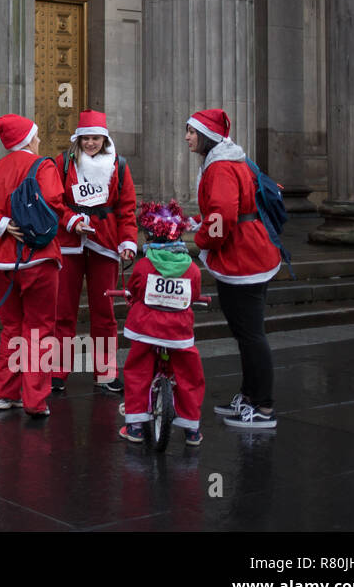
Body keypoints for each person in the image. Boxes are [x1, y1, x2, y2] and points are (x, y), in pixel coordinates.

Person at [0, 114, 80, 418]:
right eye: (36, 135)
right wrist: (74, 220)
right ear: (28, 139)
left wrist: (1, 222)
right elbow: (55, 201)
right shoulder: (43, 166)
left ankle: (4, 394)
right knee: (40, 330)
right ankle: (35, 400)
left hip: (0, 261)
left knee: (12, 328)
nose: (39, 140)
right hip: (38, 258)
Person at [188, 108, 281, 430]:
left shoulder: (221, 167)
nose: (187, 137)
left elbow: (224, 216)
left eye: (191, 132)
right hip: (249, 252)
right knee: (246, 334)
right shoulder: (228, 162)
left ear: (206, 136)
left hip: (245, 257)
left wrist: (199, 242)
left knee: (251, 334)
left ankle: (264, 406)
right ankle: (249, 395)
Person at [53, 110, 138, 395]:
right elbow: (53, 201)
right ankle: (57, 372)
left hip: (105, 245)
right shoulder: (62, 164)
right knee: (63, 311)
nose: (91, 143)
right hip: (69, 243)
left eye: (96, 138)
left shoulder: (120, 166)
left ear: (105, 139)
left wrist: (128, 242)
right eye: (86, 138)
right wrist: (72, 220)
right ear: (78, 139)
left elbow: (126, 210)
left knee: (104, 312)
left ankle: (106, 372)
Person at [119, 200, 205, 446]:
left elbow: (135, 290)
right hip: (178, 332)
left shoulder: (144, 266)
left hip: (146, 329)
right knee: (190, 376)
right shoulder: (191, 269)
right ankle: (192, 429)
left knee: (137, 372)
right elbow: (195, 296)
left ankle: (135, 426)